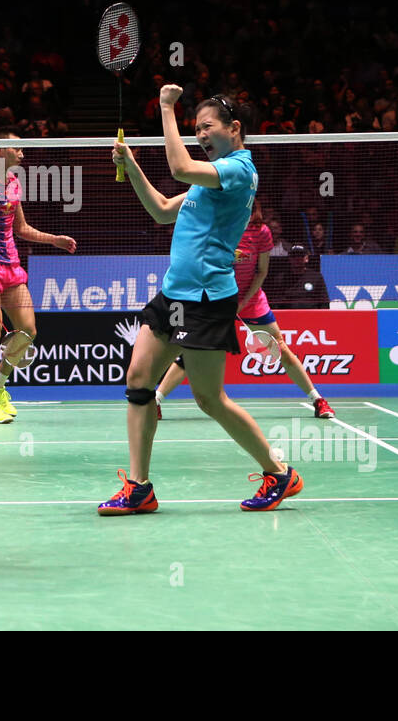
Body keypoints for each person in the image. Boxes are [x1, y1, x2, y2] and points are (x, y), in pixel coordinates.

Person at [103, 87, 303, 516]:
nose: (200, 136)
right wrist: (132, 166)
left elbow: (178, 166)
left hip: (208, 298)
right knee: (139, 380)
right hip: (175, 293)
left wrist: (165, 107)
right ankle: (139, 488)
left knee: (209, 399)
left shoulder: (239, 170)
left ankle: (279, 472)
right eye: (196, 130)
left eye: (207, 127)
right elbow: (160, 209)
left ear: (235, 129)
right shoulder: (207, 180)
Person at [155, 201, 334, 420]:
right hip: (217, 299)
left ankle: (318, 400)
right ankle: (156, 400)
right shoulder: (217, 227)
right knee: (189, 351)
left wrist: (242, 302)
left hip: (251, 300)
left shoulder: (261, 232)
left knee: (280, 348)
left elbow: (262, 271)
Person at [0, 128, 76, 423]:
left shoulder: (13, 183)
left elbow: (21, 228)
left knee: (28, 331)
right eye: (17, 149)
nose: (22, 154)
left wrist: (54, 239)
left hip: (12, 266)